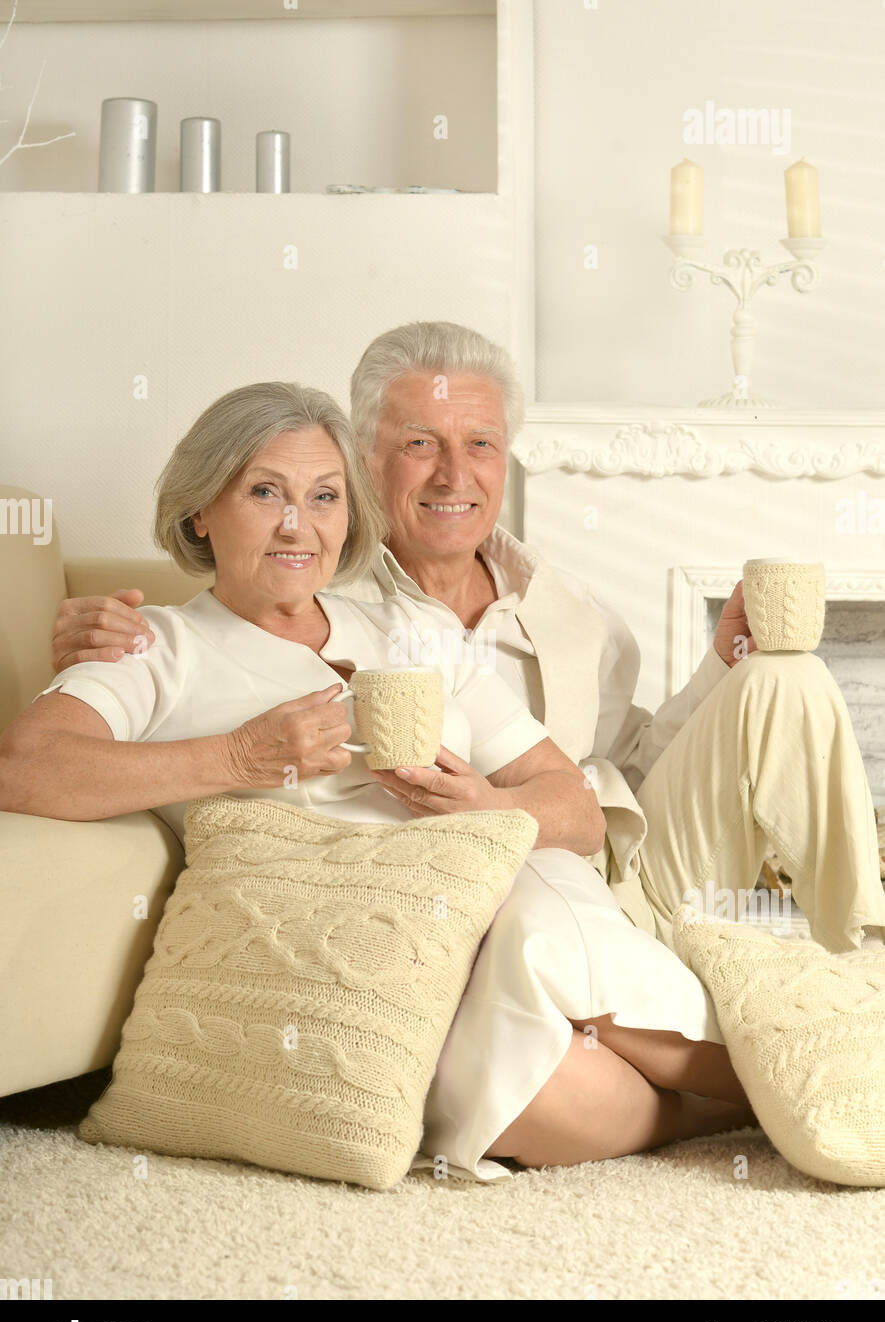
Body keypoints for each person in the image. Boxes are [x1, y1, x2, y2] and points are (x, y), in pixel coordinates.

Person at [44, 322, 885, 1177]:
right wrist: (238, 756)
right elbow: (31, 763)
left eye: (322, 497)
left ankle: (831, 1044)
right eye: (266, 493)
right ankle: (774, 1089)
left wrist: (498, 808)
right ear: (201, 507)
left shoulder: (465, 626)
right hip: (388, 940)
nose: (299, 523)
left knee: (544, 915)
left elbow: (598, 779)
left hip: (524, 886)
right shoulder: (161, 643)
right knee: (540, 1104)